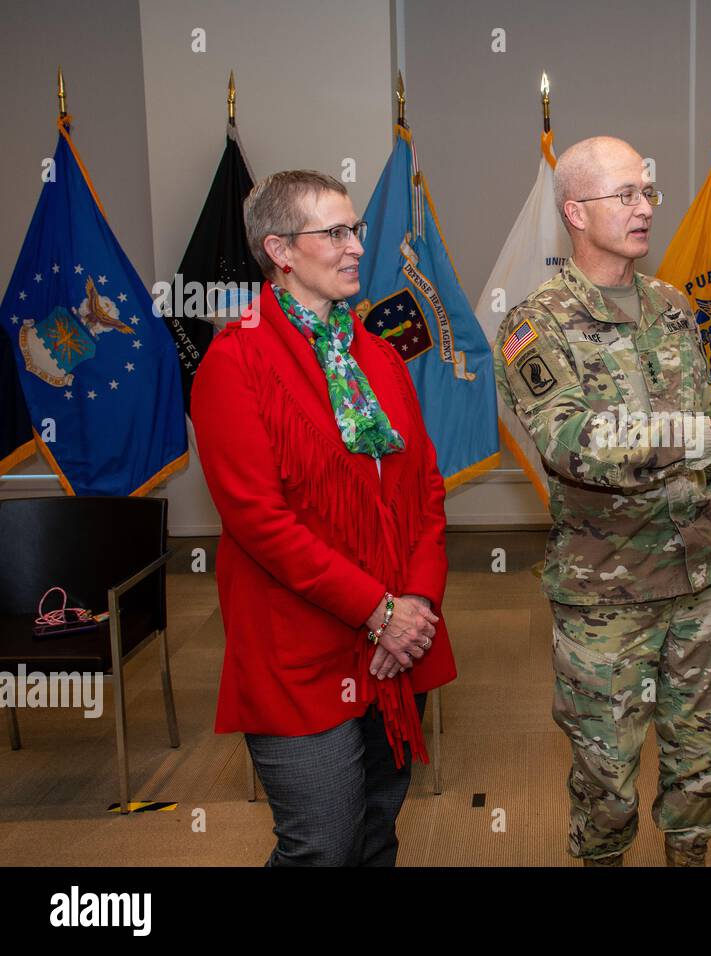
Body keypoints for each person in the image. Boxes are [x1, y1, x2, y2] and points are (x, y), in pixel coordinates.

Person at [493, 136, 711, 867]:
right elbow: (574, 442)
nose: (646, 206)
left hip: (700, 579)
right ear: (575, 212)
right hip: (605, 597)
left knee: (705, 762)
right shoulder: (536, 323)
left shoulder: (673, 307)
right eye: (626, 194)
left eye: (648, 192)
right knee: (607, 782)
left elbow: (709, 437)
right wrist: (708, 432)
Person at [191, 170, 456, 866]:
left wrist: (418, 605)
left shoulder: (375, 353)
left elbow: (426, 489)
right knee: (323, 847)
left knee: (374, 833)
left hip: (397, 644)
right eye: (334, 233)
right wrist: (379, 609)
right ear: (279, 250)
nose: (354, 248)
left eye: (355, 230)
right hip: (298, 647)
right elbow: (261, 523)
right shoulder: (235, 360)